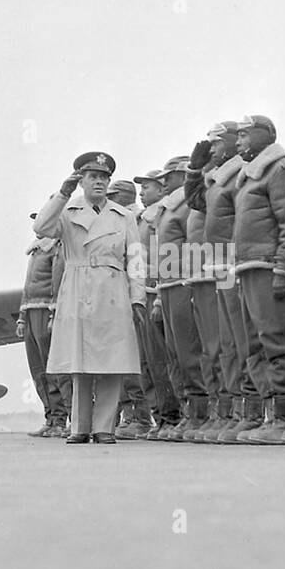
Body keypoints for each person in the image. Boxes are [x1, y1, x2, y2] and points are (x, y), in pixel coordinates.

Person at [33, 152, 146, 444]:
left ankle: (105, 427)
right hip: (78, 288)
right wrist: (62, 193)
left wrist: (138, 298)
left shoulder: (124, 216)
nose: (99, 182)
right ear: (80, 181)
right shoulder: (68, 212)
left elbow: (135, 259)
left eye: (104, 177)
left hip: (113, 290)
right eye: (93, 177)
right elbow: (41, 227)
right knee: (79, 360)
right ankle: (80, 427)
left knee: (112, 361)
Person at [231, 114, 285, 443]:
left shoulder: (276, 170)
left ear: (263, 136)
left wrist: (282, 267)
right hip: (247, 267)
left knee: (276, 341)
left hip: (266, 266)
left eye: (245, 135)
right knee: (254, 345)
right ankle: (271, 412)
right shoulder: (247, 177)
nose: (239, 141)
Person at [184, 121, 253, 442]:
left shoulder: (240, 174)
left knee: (240, 340)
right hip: (220, 266)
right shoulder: (217, 179)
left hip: (234, 264)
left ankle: (246, 411)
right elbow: (197, 201)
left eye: (217, 142)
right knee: (226, 344)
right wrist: (194, 170)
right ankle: (230, 411)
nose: (211, 148)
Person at [153, 154, 207, 441]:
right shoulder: (167, 209)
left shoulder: (187, 204)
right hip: (169, 285)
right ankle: (187, 412)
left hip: (185, 283)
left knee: (190, 352)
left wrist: (193, 283)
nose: (163, 182)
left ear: (184, 175)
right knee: (175, 355)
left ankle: (201, 414)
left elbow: (197, 243)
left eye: (169, 176)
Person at [134, 169, 183, 440]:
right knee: (150, 362)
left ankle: (172, 416)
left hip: (157, 291)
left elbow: (166, 256)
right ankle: (161, 416)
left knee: (163, 360)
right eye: (141, 188)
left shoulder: (159, 218)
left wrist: (159, 296)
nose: (142, 193)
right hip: (145, 292)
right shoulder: (143, 220)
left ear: (162, 189)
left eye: (148, 187)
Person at [106, 178, 153, 439]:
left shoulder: (138, 220)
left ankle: (141, 417)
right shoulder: (118, 223)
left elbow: (140, 263)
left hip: (135, 296)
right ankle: (129, 415)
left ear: (123, 196)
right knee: (120, 360)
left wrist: (138, 298)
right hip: (118, 297)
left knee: (137, 360)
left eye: (113, 195)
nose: (108, 200)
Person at [18, 211, 70, 438]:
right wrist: (22, 317)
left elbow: (57, 284)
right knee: (37, 369)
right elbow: (27, 287)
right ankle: (50, 416)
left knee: (50, 367)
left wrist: (52, 313)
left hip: (44, 309)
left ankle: (59, 418)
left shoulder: (56, 248)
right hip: (31, 310)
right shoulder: (36, 251)